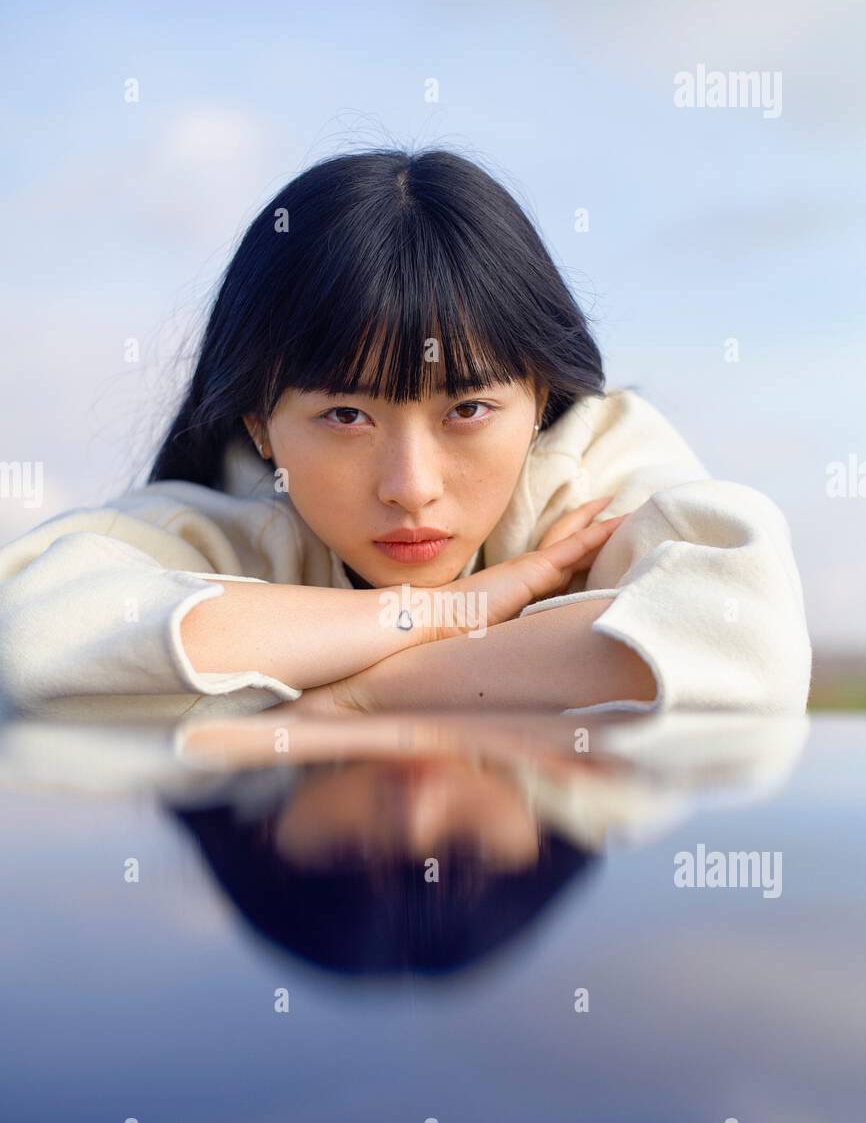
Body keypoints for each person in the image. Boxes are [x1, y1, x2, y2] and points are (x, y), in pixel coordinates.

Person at [0, 148, 811, 719]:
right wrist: (447, 615)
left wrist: (361, 697)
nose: (412, 486)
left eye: (467, 410)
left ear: (540, 397)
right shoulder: (230, 517)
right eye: (346, 416)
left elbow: (747, 640)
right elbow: (36, 641)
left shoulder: (588, 472)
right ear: (262, 427)